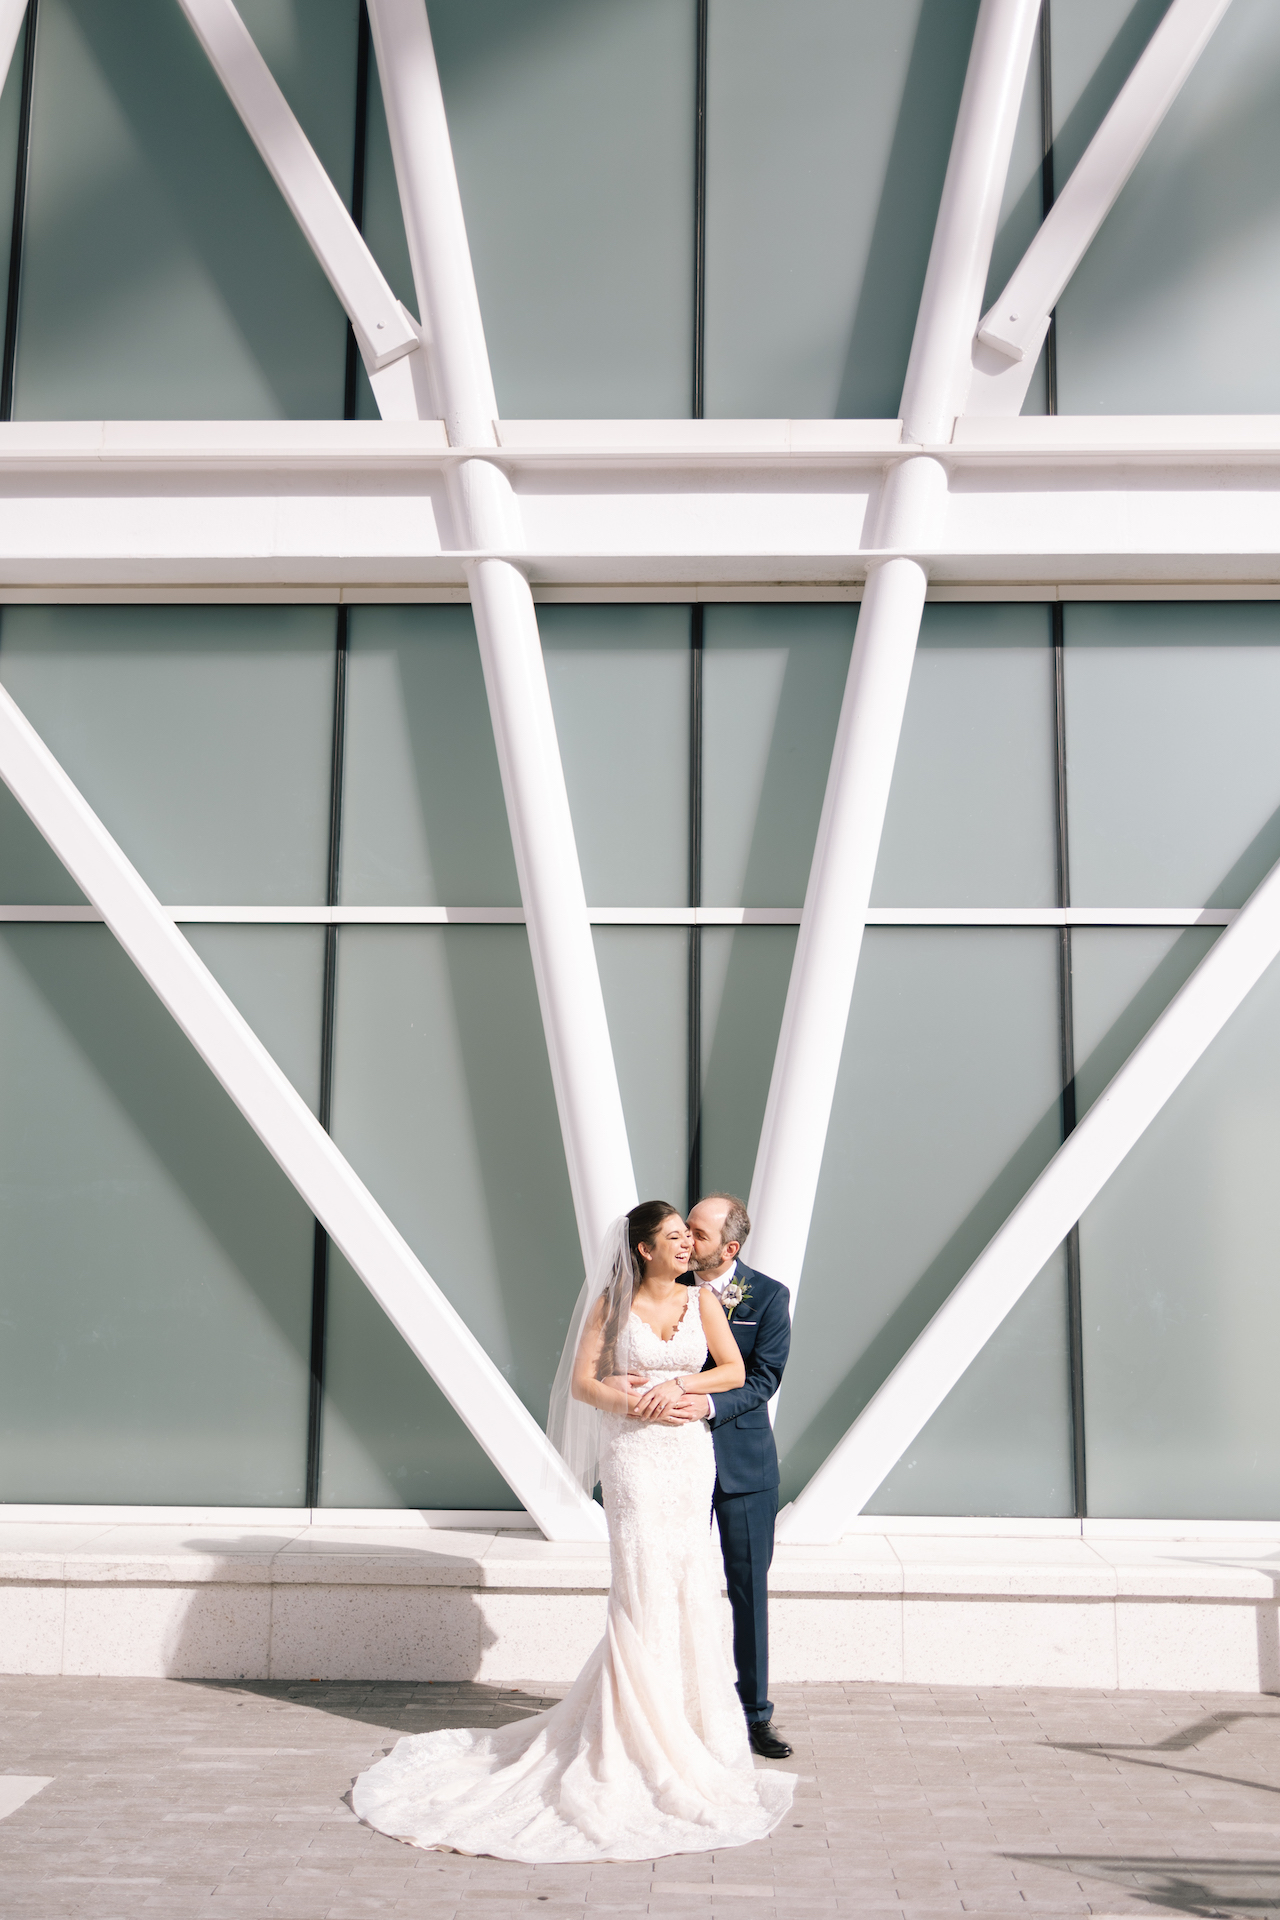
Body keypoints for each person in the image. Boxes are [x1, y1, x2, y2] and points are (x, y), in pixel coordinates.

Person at [351, 1201, 795, 1862]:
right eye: (675, 1235)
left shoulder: (714, 1299)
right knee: (641, 1588)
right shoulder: (611, 1305)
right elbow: (584, 1384)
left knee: (694, 1585)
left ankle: (713, 1725)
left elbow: (739, 1372)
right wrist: (631, 1399)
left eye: (692, 1234)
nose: (686, 1244)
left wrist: (681, 1390)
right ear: (643, 1248)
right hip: (637, 1460)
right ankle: (630, 1734)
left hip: (691, 1454)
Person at [666, 1194, 792, 1760]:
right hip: (672, 1461)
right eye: (685, 1229)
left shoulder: (767, 1296)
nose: (687, 1240)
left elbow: (765, 1378)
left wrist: (708, 1407)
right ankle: (671, 1709)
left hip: (745, 1467)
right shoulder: (666, 1289)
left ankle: (753, 1716)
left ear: (730, 1248)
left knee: (748, 1592)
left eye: (698, 1232)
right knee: (671, 1589)